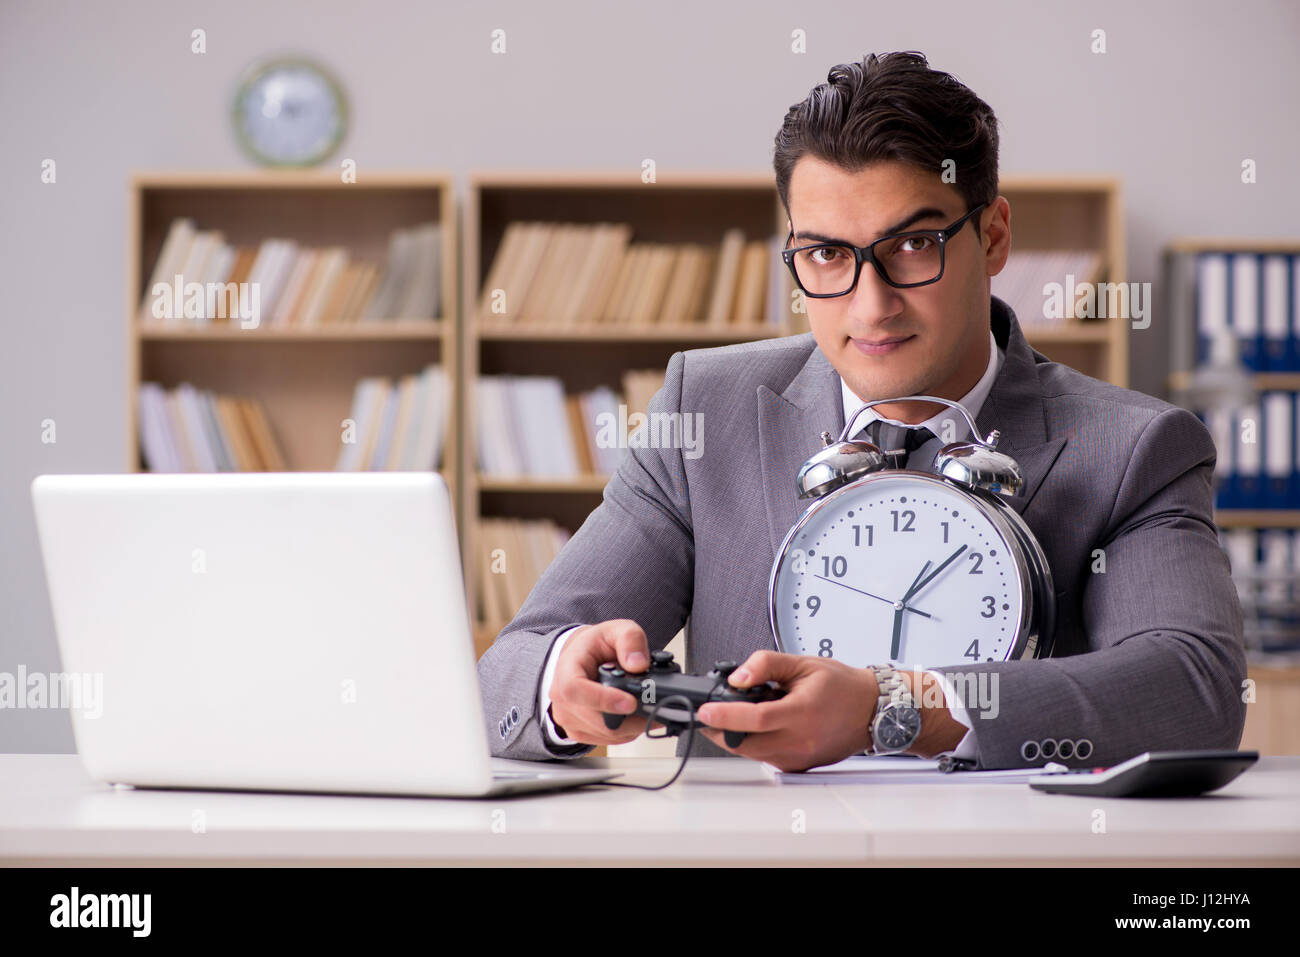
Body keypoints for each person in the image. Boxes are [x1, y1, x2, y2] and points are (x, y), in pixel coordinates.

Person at [477, 51, 1246, 772]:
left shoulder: (1135, 447)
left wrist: (903, 706)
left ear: (995, 235)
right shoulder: (703, 414)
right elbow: (505, 674)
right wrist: (562, 680)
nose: (870, 305)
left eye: (913, 245)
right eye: (826, 255)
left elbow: (1193, 687)